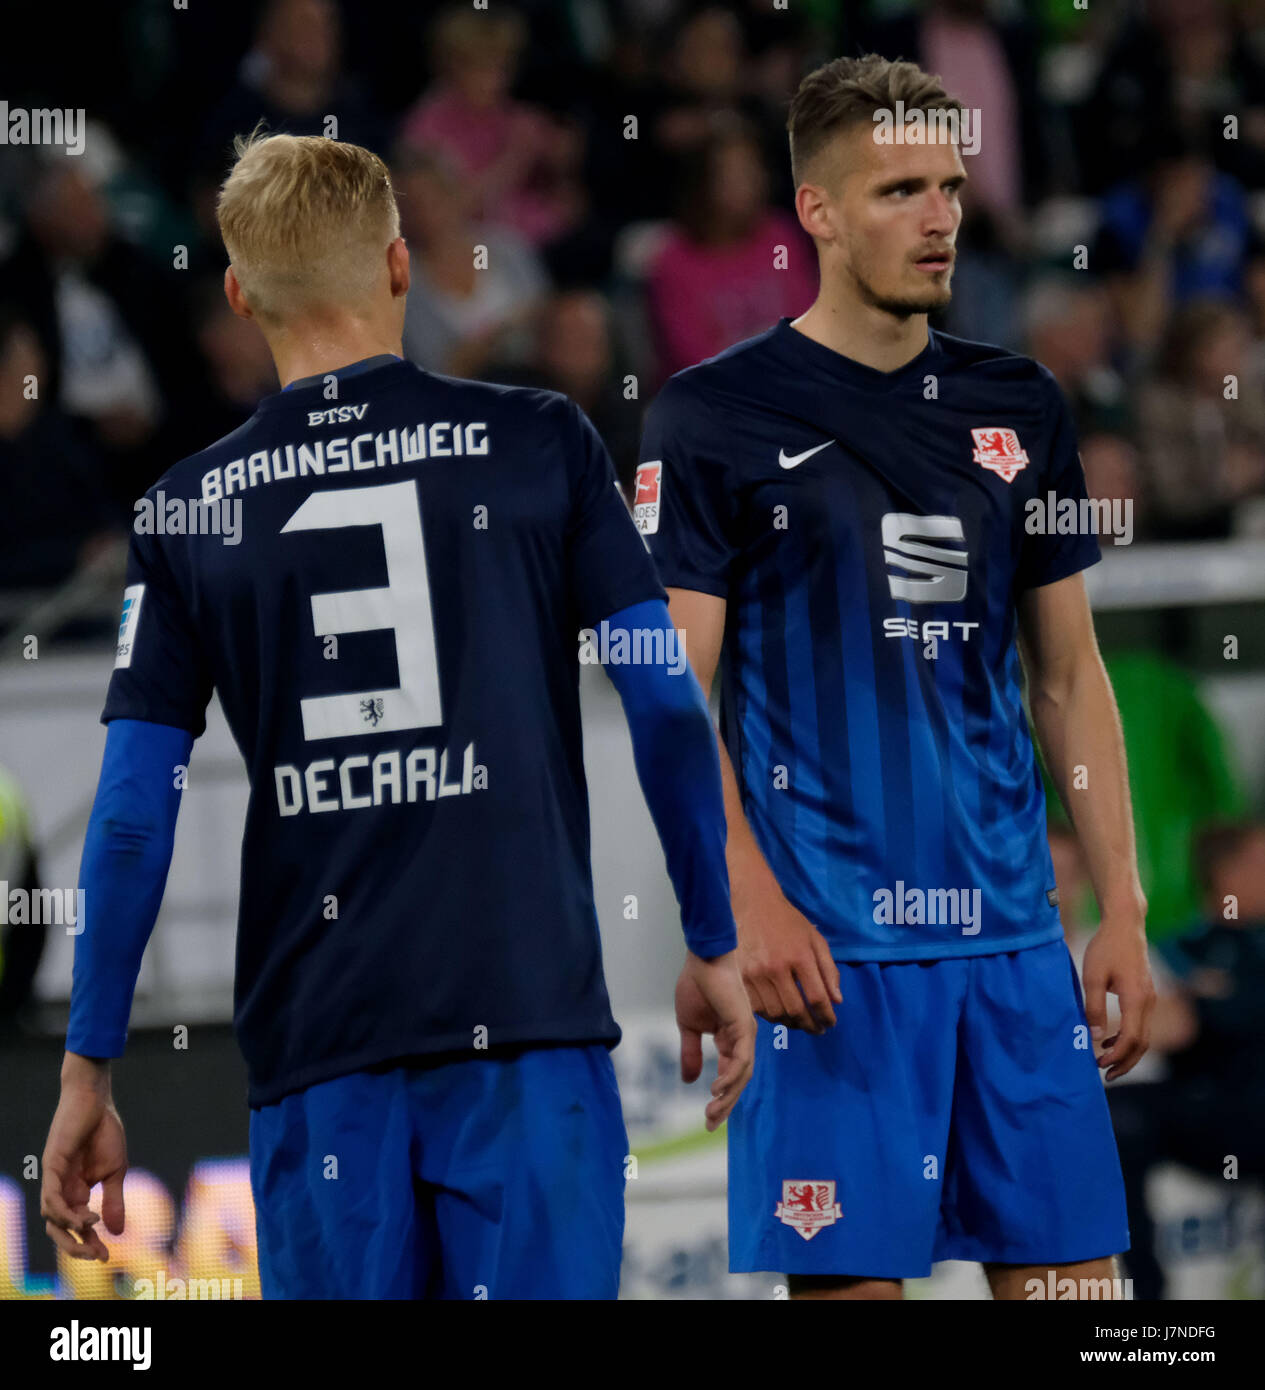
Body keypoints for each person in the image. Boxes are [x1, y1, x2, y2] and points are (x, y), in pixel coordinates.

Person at [39, 133, 753, 1301]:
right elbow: (665, 700)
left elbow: (128, 816)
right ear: (399, 264)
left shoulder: (181, 513)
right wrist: (711, 936)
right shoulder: (540, 442)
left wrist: (89, 1069)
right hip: (523, 1023)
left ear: (239, 296)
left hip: (322, 1050)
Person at [639, 53, 1154, 1300]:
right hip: (829, 966)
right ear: (815, 210)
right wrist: (744, 901)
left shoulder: (1018, 404)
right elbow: (665, 693)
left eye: (950, 188)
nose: (938, 219)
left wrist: (1123, 906)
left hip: (1015, 950)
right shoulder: (712, 415)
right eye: (898, 191)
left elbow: (1067, 675)